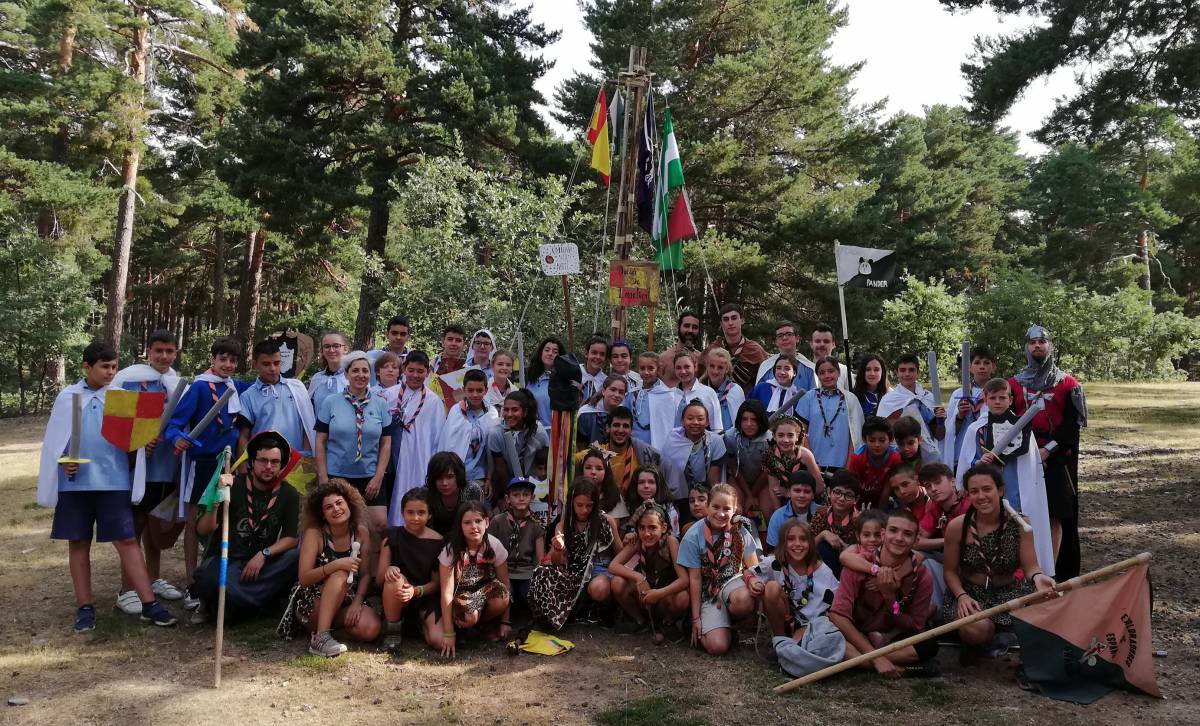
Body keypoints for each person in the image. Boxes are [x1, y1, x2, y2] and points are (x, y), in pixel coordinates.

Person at [38, 342, 177, 631]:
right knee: (78, 541)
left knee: (126, 540)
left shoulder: (122, 398)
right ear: (87, 367)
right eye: (105, 367)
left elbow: (130, 445)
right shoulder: (68, 397)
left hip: (113, 481)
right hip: (75, 484)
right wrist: (63, 460)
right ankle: (85, 607)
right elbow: (54, 442)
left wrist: (142, 445)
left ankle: (149, 604)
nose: (111, 372)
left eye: (114, 367)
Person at [942, 465, 1056, 656]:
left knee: (1048, 607)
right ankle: (986, 639)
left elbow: (1031, 567)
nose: (981, 496)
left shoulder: (1021, 524)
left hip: (1010, 593)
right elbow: (949, 571)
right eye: (974, 491)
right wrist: (961, 596)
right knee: (976, 630)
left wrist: (1038, 577)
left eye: (987, 489)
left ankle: (1005, 639)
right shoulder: (957, 527)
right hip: (971, 594)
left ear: (1000, 490)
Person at [191, 431, 301, 626]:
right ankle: (255, 602)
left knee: (295, 557)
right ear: (252, 461)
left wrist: (264, 554)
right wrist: (217, 499)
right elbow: (203, 529)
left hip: (261, 566)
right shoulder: (233, 486)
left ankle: (232, 603)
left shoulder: (289, 494)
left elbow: (291, 538)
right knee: (207, 577)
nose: (268, 467)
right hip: (227, 561)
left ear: (282, 464)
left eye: (275, 462)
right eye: (263, 460)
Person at [165, 335, 242, 610]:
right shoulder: (199, 388)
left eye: (233, 360)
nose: (228, 365)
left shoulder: (236, 387)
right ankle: (191, 582)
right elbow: (174, 424)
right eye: (223, 359)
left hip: (228, 465)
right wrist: (177, 439)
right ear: (213, 359)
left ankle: (221, 578)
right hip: (202, 463)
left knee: (224, 521)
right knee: (194, 522)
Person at [111, 329, 185, 612]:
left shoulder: (176, 383)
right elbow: (118, 421)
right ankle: (127, 588)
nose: (164, 356)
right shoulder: (130, 380)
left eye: (169, 351)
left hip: (167, 464)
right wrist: (138, 444)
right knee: (136, 525)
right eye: (159, 351)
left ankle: (152, 579)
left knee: (156, 525)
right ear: (148, 351)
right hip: (139, 466)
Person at [1008, 324, 1086, 579]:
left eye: (1042, 341)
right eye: (1032, 342)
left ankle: (1054, 574)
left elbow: (1071, 428)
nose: (1037, 346)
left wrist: (1046, 452)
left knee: (1056, 516)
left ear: (1050, 346)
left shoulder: (1068, 384)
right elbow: (1006, 419)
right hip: (1022, 458)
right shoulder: (1014, 384)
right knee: (1023, 515)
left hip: (1056, 459)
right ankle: (1026, 571)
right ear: (1026, 347)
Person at [956, 378, 1056, 578]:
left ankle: (1026, 573)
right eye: (993, 398)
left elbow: (1030, 465)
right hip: (987, 492)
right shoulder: (976, 429)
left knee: (1019, 530)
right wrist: (979, 461)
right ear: (985, 400)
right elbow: (968, 463)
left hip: (1017, 490)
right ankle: (993, 574)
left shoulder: (1022, 428)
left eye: (1002, 397)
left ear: (1010, 400)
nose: (998, 402)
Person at [828, 509, 937, 679]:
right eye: (893, 531)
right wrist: (876, 658)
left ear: (916, 541)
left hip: (891, 638)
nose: (899, 538)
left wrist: (890, 597)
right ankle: (890, 665)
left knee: (928, 645)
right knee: (831, 638)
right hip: (857, 634)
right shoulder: (859, 564)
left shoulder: (922, 577)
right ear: (884, 534)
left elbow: (912, 626)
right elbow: (838, 616)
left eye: (907, 534)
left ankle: (858, 661)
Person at [279, 479, 381, 656]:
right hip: (311, 602)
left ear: (349, 504)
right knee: (340, 574)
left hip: (346, 600)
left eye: (339, 503)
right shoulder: (315, 533)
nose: (336, 509)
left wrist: (357, 602)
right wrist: (335, 565)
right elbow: (304, 578)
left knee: (371, 628)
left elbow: (365, 575)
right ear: (323, 515)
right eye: (328, 507)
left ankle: (327, 633)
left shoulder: (361, 532)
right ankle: (320, 639)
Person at [314, 350, 396, 556]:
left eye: (365, 371)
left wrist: (378, 477)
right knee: (341, 527)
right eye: (356, 370)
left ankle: (373, 577)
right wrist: (323, 477)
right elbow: (320, 441)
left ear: (371, 374)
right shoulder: (331, 402)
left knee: (379, 525)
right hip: (337, 476)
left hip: (369, 477)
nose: (361, 375)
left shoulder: (380, 404)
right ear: (347, 374)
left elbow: (386, 443)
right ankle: (341, 570)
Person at [676, 483, 760, 655]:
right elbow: (695, 578)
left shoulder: (739, 529)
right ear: (707, 506)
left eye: (727, 508)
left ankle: (738, 620)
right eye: (715, 507)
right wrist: (695, 619)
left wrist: (752, 582)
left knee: (744, 600)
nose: (721, 514)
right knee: (718, 647)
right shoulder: (693, 535)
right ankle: (720, 628)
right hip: (708, 591)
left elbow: (753, 567)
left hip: (732, 582)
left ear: (735, 509)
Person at [529, 478, 620, 631]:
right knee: (542, 572)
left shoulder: (607, 521)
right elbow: (557, 562)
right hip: (572, 571)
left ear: (596, 504)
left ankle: (605, 611)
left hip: (601, 569)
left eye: (589, 505)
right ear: (571, 503)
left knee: (599, 588)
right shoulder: (563, 525)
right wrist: (558, 549)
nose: (584, 510)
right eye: (579, 505)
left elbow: (619, 549)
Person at [438, 501, 513, 657]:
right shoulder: (451, 549)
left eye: (478, 521)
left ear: (487, 522)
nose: (473, 526)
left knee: (503, 595)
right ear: (460, 525)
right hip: (461, 594)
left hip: (485, 590)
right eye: (467, 522)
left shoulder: (494, 545)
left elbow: (505, 582)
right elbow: (447, 591)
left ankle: (482, 626)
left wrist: (505, 622)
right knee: (469, 615)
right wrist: (448, 632)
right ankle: (464, 628)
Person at [609, 501, 690, 639]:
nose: (647, 534)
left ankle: (667, 623)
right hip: (643, 596)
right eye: (642, 528)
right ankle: (639, 620)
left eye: (652, 528)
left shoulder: (671, 541)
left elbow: (684, 580)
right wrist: (638, 578)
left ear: (663, 527)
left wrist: (659, 593)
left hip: (664, 598)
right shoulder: (638, 540)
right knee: (617, 582)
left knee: (683, 597)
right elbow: (613, 566)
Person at [378, 488, 445, 653]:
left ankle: (419, 624)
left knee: (439, 642)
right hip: (396, 595)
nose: (415, 518)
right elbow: (379, 579)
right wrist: (389, 570)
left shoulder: (439, 542)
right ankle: (393, 630)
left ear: (429, 514)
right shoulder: (391, 536)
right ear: (402, 513)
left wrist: (416, 591)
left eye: (421, 512)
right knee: (396, 578)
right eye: (410, 512)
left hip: (424, 596)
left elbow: (437, 584)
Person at [750, 519, 839, 638]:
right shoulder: (775, 563)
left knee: (798, 645)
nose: (797, 544)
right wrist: (751, 580)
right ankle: (780, 639)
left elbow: (837, 602)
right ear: (783, 543)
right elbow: (749, 572)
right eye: (791, 539)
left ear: (811, 543)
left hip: (813, 624)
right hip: (785, 619)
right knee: (771, 587)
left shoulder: (823, 571)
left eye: (803, 539)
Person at [389, 350, 445, 525]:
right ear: (403, 369)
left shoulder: (434, 401)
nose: (415, 375)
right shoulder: (388, 395)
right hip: (393, 455)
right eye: (411, 370)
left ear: (427, 372)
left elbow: (437, 435)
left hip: (420, 458)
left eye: (420, 371)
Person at [580, 406, 672, 510]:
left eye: (625, 426)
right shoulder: (596, 453)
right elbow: (568, 462)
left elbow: (668, 468)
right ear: (607, 428)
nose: (620, 430)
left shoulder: (642, 454)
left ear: (631, 430)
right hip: (603, 509)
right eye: (616, 425)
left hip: (634, 510)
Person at [237, 339, 316, 458]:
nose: (273, 368)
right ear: (255, 364)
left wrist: (305, 456)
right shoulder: (247, 396)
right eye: (266, 364)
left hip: (295, 462)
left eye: (277, 363)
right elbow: (243, 436)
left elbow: (307, 426)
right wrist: (243, 472)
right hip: (263, 465)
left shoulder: (296, 388)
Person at [795, 356, 865, 475]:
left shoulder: (850, 399)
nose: (827, 376)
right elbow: (800, 431)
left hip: (842, 464)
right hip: (813, 463)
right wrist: (811, 462)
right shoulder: (808, 397)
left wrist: (848, 467)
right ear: (817, 375)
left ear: (838, 373)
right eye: (822, 372)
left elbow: (856, 437)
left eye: (831, 371)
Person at [487, 477, 546, 614]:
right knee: (503, 596)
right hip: (503, 571)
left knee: (530, 596)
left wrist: (539, 579)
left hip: (526, 573)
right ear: (507, 499)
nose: (521, 498)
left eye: (525, 495)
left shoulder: (536, 524)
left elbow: (540, 558)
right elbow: (489, 550)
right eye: (516, 495)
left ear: (532, 498)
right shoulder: (497, 521)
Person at [660, 401, 726, 519]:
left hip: (706, 495)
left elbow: (713, 481)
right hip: (679, 496)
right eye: (690, 418)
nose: (695, 422)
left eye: (700, 419)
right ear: (682, 421)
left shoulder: (715, 441)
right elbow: (668, 476)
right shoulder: (673, 440)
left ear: (707, 422)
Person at [439, 368, 499, 498]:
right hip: (456, 476)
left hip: (480, 476)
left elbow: (493, 450)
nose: (475, 394)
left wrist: (489, 478)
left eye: (479, 390)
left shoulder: (492, 414)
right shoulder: (456, 412)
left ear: (486, 390)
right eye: (470, 390)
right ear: (463, 390)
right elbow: (448, 444)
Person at [877, 354, 945, 466]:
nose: (907, 374)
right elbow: (883, 434)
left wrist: (940, 420)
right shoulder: (889, 400)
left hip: (927, 456)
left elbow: (939, 435)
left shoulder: (928, 398)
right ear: (897, 373)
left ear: (918, 373)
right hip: (900, 457)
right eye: (902, 370)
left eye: (911, 370)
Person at [487, 390, 549, 504]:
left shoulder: (538, 430)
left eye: (515, 410)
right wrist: (511, 495)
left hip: (535, 484)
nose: (509, 414)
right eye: (506, 410)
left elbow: (547, 458)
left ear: (525, 412)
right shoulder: (496, 433)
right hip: (509, 484)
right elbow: (501, 469)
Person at [942, 345, 995, 472]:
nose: (982, 366)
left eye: (986, 363)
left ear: (993, 367)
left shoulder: (998, 393)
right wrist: (959, 415)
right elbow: (950, 430)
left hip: (990, 450)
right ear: (970, 367)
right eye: (977, 363)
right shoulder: (958, 394)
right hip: (963, 451)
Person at [722, 400, 772, 518]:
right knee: (736, 510)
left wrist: (753, 495)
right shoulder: (730, 437)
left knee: (766, 511)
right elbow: (734, 468)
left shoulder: (770, 440)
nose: (749, 424)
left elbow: (767, 471)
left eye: (754, 420)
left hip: (762, 481)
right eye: (745, 419)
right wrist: (748, 495)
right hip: (739, 479)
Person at [704, 303, 768, 393]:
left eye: (734, 318)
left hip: (746, 403)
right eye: (726, 319)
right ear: (721, 324)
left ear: (742, 320)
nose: (730, 323)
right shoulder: (712, 349)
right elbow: (699, 378)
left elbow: (766, 380)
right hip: (716, 402)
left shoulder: (755, 350)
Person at [763, 416, 824, 506]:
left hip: (810, 499)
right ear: (774, 437)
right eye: (780, 435)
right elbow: (774, 489)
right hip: (787, 502)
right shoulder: (770, 456)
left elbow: (819, 487)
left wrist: (789, 493)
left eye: (790, 435)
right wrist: (778, 513)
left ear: (797, 436)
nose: (786, 440)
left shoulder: (805, 455)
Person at [810, 472, 861, 577]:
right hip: (820, 568)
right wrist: (823, 534)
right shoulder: (821, 513)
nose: (842, 498)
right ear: (829, 492)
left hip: (850, 571)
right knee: (823, 547)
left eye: (848, 495)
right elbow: (808, 546)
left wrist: (848, 550)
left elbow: (866, 555)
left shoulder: (860, 522)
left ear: (856, 499)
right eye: (837, 492)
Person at [846, 416, 903, 509]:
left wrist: (880, 513)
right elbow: (852, 487)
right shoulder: (857, 458)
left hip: (883, 499)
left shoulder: (895, 458)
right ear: (864, 440)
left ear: (890, 440)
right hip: (858, 499)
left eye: (882, 440)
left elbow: (887, 489)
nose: (877, 445)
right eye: (872, 440)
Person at [625, 351, 676, 450]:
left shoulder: (668, 396)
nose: (646, 372)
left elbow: (669, 425)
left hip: (657, 447)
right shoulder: (631, 395)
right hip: (633, 446)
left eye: (651, 368)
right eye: (642, 368)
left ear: (658, 370)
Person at [620, 465, 681, 536]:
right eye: (641, 482)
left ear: (658, 485)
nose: (646, 486)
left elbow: (674, 536)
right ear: (635, 485)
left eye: (651, 482)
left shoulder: (668, 507)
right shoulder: (628, 505)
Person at [766, 471, 820, 549]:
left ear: (813, 495)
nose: (801, 495)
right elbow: (772, 551)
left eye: (807, 492)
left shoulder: (823, 513)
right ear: (788, 492)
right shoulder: (778, 516)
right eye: (797, 491)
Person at [755, 321, 815, 390]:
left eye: (789, 334)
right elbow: (758, 396)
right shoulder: (766, 367)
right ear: (776, 342)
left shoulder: (809, 368)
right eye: (780, 336)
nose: (784, 338)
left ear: (797, 338)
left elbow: (815, 396)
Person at [425, 452, 474, 536]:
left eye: (450, 477)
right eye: (439, 478)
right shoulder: (427, 494)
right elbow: (425, 528)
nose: (444, 483)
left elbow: (476, 523)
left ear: (458, 476)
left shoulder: (472, 490)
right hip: (434, 541)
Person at [672, 354, 721, 433]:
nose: (683, 371)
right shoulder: (670, 394)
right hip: (673, 442)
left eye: (687, 367)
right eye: (678, 368)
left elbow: (717, 427)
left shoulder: (708, 393)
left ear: (695, 367)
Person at [576, 375, 629, 447]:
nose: (617, 395)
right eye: (613, 390)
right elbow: (580, 445)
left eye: (621, 392)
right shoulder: (585, 413)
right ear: (603, 391)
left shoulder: (624, 414)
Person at [702, 347, 746, 432]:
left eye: (720, 367)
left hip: (732, 440)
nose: (715, 371)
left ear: (726, 369)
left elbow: (741, 420)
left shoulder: (736, 390)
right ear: (707, 366)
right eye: (712, 366)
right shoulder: (700, 391)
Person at [525, 337, 564, 427]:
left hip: (555, 433)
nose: (550, 354)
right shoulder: (532, 378)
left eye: (555, 352)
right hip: (533, 432)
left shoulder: (563, 380)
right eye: (547, 350)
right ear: (541, 352)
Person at [657, 311, 703, 389]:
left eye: (695, 327)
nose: (690, 330)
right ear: (678, 327)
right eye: (686, 326)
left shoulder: (702, 359)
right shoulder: (663, 359)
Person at [798, 324, 851, 390]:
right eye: (818, 341)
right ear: (811, 344)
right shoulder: (803, 370)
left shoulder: (844, 370)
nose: (822, 344)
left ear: (833, 344)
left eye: (826, 341)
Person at [309, 331, 349, 414]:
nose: (331, 350)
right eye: (327, 346)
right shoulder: (317, 379)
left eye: (336, 346)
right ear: (322, 351)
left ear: (345, 349)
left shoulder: (354, 377)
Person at [431, 324, 468, 412]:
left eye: (458, 340)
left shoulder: (469, 372)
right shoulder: (429, 366)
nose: (454, 343)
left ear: (463, 345)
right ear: (443, 342)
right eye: (450, 339)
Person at [366, 315, 412, 384]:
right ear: (387, 334)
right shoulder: (371, 357)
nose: (398, 337)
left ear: (408, 337)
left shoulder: (413, 358)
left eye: (403, 334)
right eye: (394, 333)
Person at [852, 353, 890, 418]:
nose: (872, 373)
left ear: (882, 372)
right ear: (863, 372)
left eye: (876, 370)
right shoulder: (853, 397)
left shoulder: (890, 395)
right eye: (868, 369)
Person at [579, 334, 609, 400]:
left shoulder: (606, 382)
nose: (598, 357)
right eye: (594, 353)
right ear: (586, 354)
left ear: (606, 358)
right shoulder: (574, 372)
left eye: (602, 354)